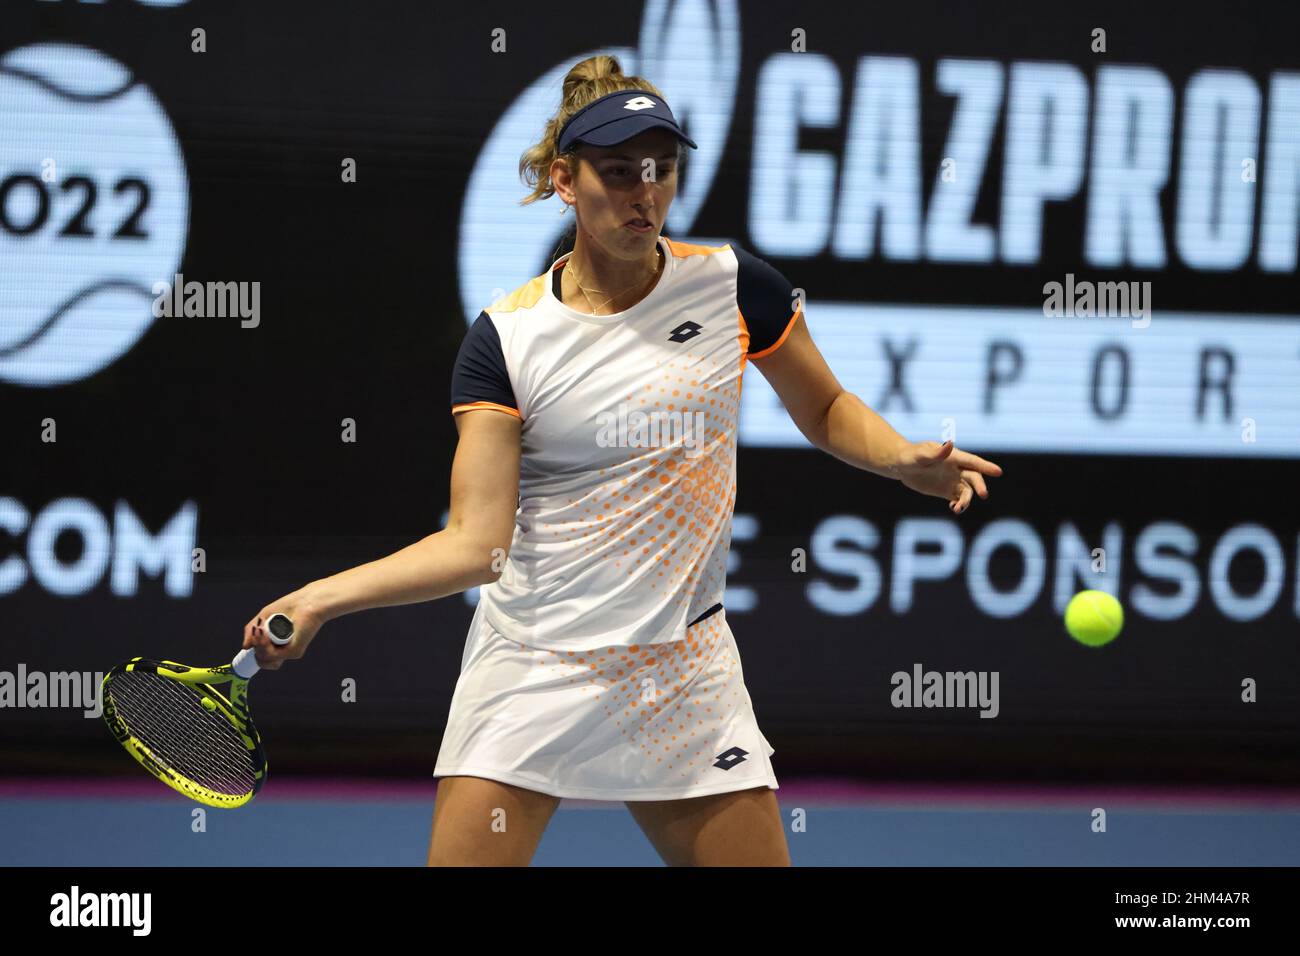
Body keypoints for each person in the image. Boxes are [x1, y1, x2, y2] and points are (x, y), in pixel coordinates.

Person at [241, 55, 1002, 867]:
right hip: (534, 664)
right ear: (565, 182)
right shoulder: (506, 340)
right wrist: (322, 598)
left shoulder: (733, 286)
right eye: (617, 172)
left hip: (681, 670)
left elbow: (823, 408)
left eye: (661, 170)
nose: (645, 192)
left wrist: (898, 460)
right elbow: (476, 544)